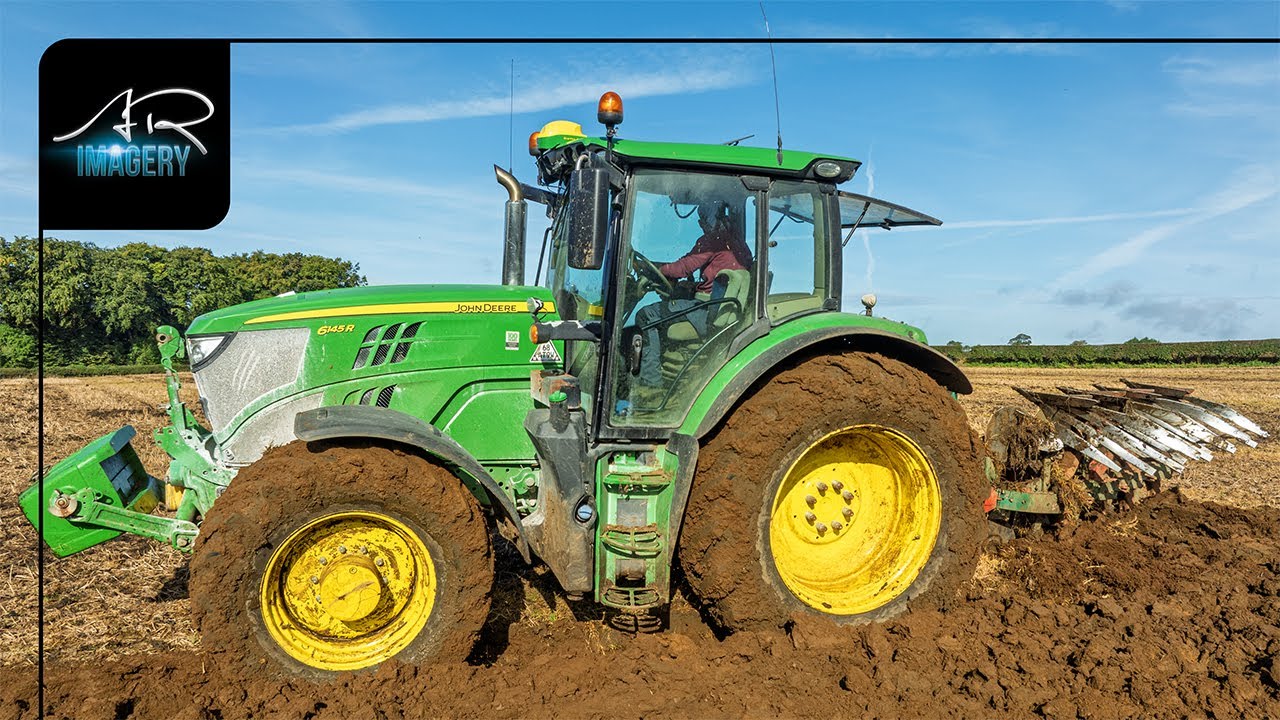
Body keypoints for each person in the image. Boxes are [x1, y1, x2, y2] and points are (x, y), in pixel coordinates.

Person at [632, 200, 753, 394]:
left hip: (706, 310)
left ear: (712, 219)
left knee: (646, 316)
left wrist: (653, 268)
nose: (701, 224)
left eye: (703, 219)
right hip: (722, 307)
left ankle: (650, 385)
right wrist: (693, 286)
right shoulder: (739, 243)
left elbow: (681, 269)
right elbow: (716, 278)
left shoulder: (713, 240)